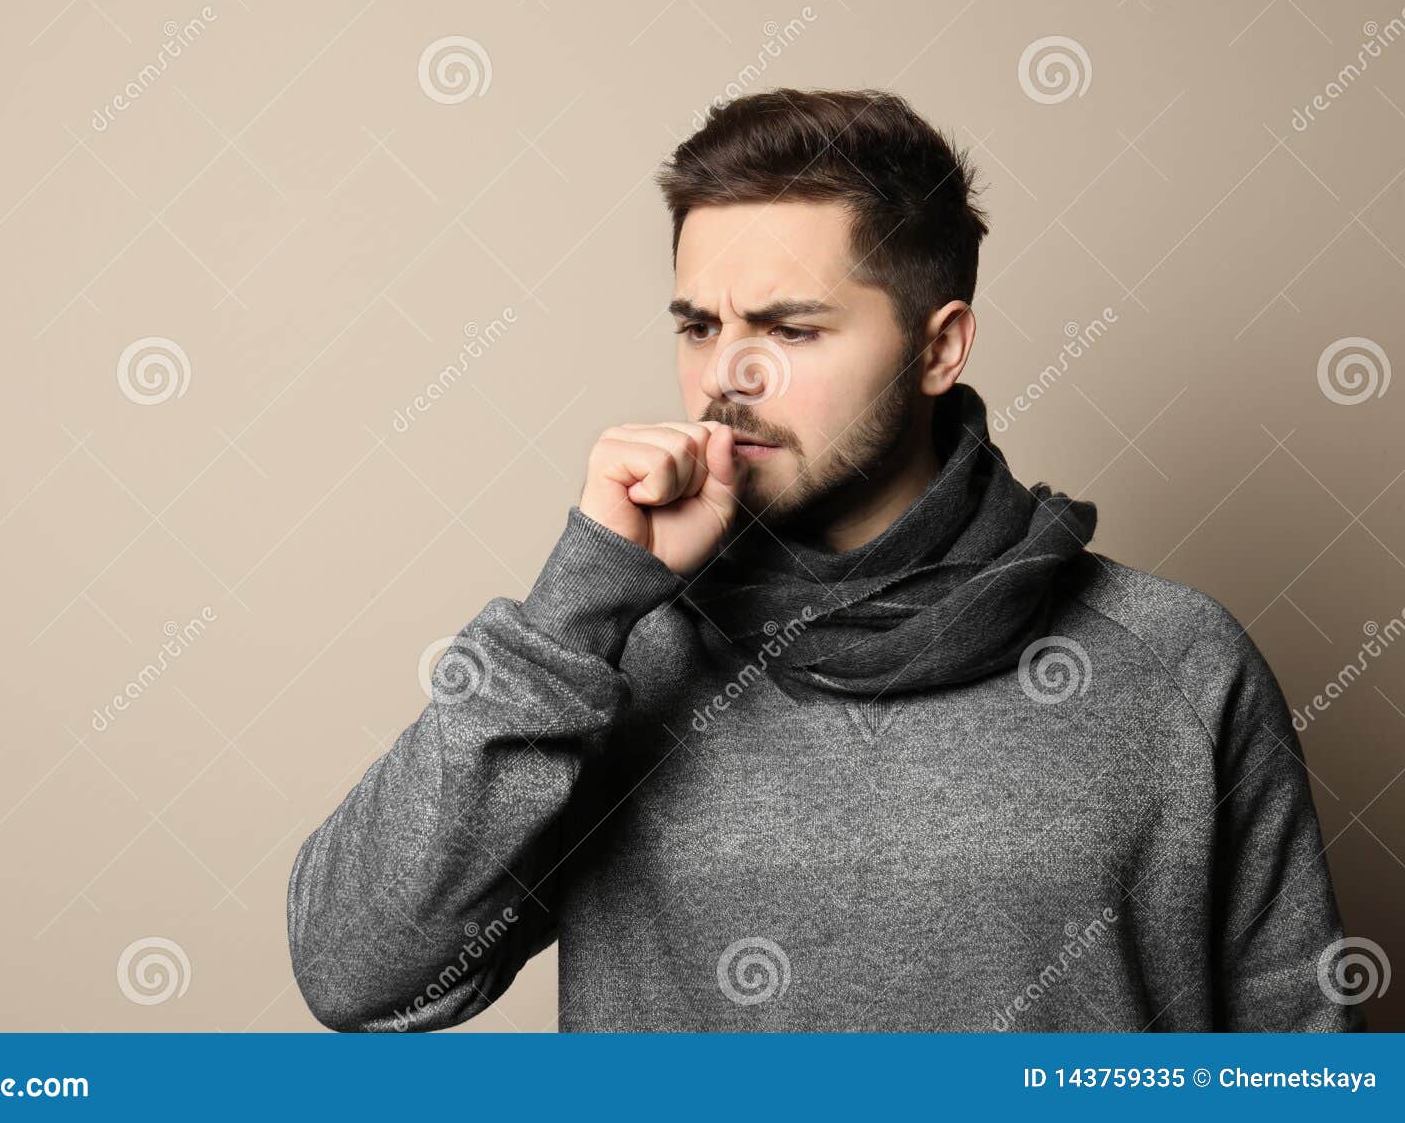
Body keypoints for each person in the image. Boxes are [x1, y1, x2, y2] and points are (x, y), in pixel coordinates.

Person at [286, 88, 1359, 1032]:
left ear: (939, 346)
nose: (726, 377)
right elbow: (356, 973)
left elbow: (1297, 1062)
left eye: (790, 331)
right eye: (698, 325)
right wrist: (577, 605)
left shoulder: (1174, 661)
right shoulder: (613, 660)